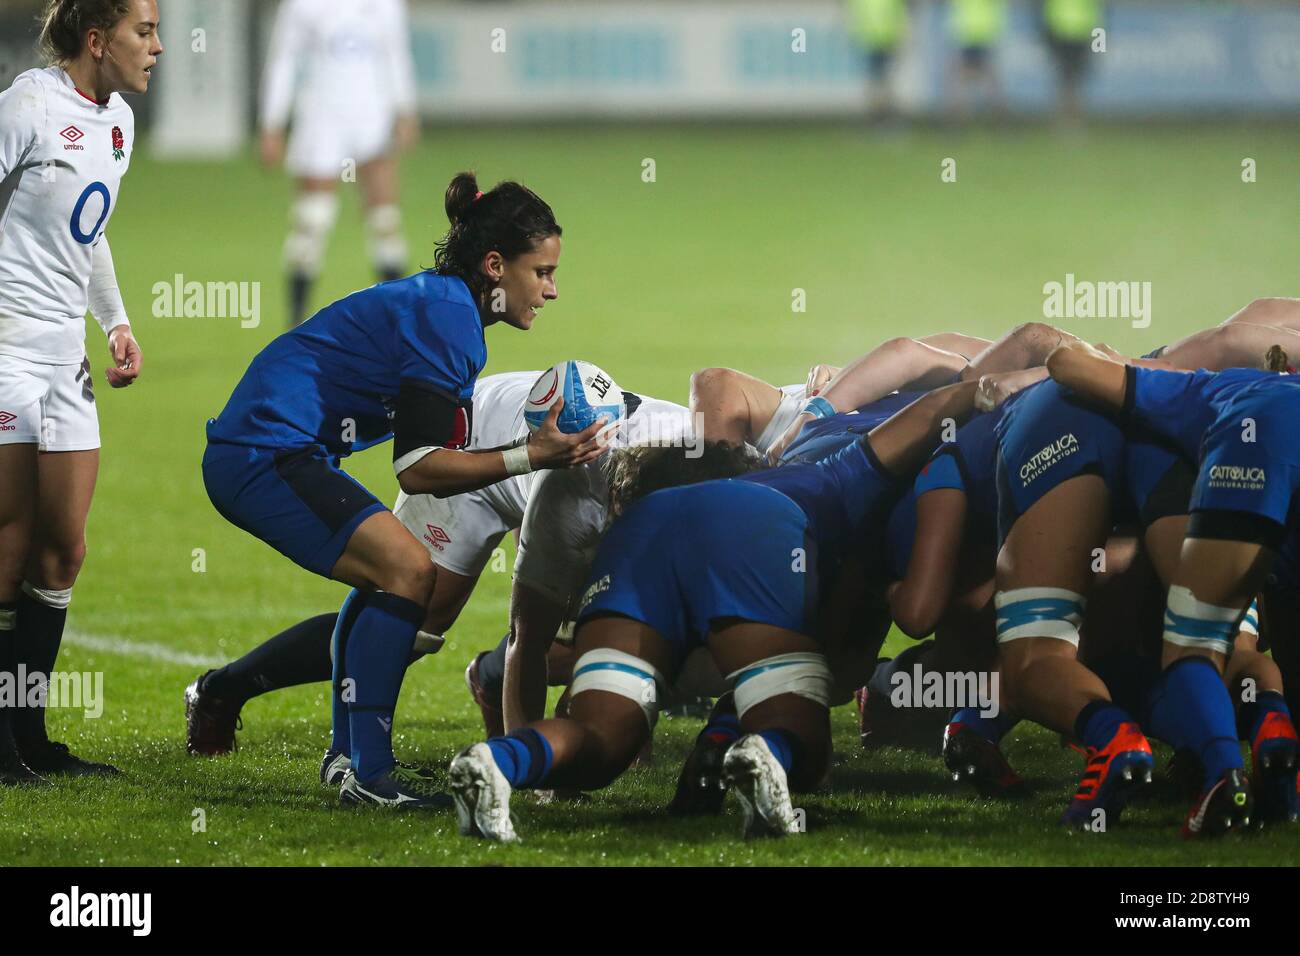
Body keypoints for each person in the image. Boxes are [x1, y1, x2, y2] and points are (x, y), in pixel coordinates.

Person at [202, 173, 607, 808]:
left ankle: (348, 760)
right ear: (496, 266)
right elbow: (418, 468)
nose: (552, 290)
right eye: (542, 272)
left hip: (282, 445)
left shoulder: (449, 308)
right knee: (406, 572)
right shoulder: (449, 318)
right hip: (262, 449)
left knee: (395, 576)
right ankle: (366, 772)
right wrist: (534, 454)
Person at [447, 381, 988, 842]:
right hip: (753, 532)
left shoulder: (689, 493)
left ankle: (499, 763)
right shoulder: (835, 477)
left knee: (603, 737)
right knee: (805, 741)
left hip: (636, 537)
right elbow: (916, 422)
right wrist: (980, 389)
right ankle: (765, 752)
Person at [1046, 342, 1300, 834]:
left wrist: (1102, 354)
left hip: (1255, 447)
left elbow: (1066, 365)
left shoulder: (1204, 387)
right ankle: (1280, 753)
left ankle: (1223, 776)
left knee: (1195, 641)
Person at [0, 0, 159, 783]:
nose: (158, 46)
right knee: (8, 541)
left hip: (64, 353)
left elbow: (87, 236)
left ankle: (29, 738)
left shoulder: (118, 122)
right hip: (5, 345)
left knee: (62, 551)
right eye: (144, 31)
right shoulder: (28, 105)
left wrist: (116, 323)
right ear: (98, 41)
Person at [260, 0, 420, 326]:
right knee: (313, 220)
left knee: (385, 222)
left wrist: (405, 108)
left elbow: (396, 54)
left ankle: (401, 323)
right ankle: (296, 324)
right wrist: (272, 122)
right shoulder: (302, 6)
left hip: (372, 116)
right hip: (322, 117)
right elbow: (284, 60)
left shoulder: (386, 5)